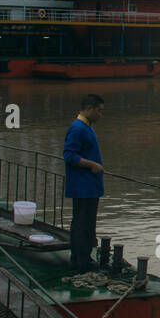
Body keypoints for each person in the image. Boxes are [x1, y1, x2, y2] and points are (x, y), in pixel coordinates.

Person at [62, 94, 104, 274]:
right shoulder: (78, 128)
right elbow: (69, 155)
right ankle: (81, 262)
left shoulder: (87, 127)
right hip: (83, 186)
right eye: (98, 111)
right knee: (82, 224)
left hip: (89, 186)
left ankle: (83, 258)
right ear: (89, 108)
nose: (100, 115)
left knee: (87, 223)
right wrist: (92, 165)